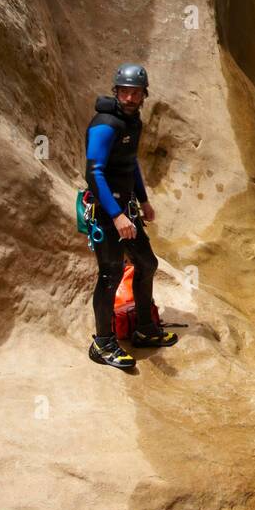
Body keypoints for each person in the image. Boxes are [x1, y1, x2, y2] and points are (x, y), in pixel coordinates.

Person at [84, 63, 178, 370]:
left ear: (143, 95)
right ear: (116, 91)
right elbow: (94, 172)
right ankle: (103, 343)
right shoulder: (105, 124)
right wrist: (115, 216)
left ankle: (143, 328)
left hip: (126, 208)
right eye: (124, 91)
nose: (129, 97)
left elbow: (130, 164)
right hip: (106, 212)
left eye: (135, 92)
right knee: (110, 275)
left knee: (147, 264)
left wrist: (143, 200)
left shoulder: (132, 122)